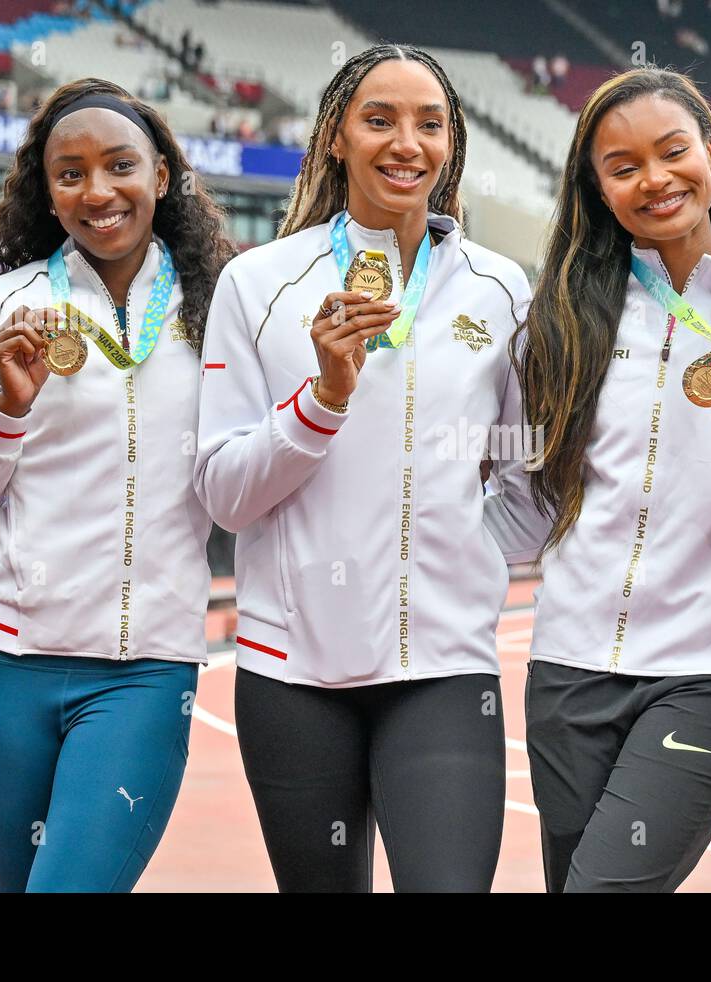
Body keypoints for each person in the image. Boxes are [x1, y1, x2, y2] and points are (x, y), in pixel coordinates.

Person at [490, 67, 711, 892]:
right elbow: (527, 512)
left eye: (673, 151)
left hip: (710, 672)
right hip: (567, 668)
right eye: (623, 166)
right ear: (596, 187)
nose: (655, 179)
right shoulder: (562, 318)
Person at [194, 43, 531, 893]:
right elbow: (225, 494)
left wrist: (469, 555)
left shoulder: (500, 289)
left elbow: (525, 476)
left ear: (452, 146)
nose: (405, 143)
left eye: (429, 123)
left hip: (445, 668)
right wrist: (322, 402)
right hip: (293, 672)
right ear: (335, 140)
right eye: (378, 120)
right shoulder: (259, 283)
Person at [0, 77, 236, 892]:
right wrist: (6, 411)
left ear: (162, 175)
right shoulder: (1, 309)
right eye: (70, 174)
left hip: (143, 672)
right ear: (49, 192)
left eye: (120, 166)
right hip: (3, 667)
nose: (98, 192)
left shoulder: (221, 310)